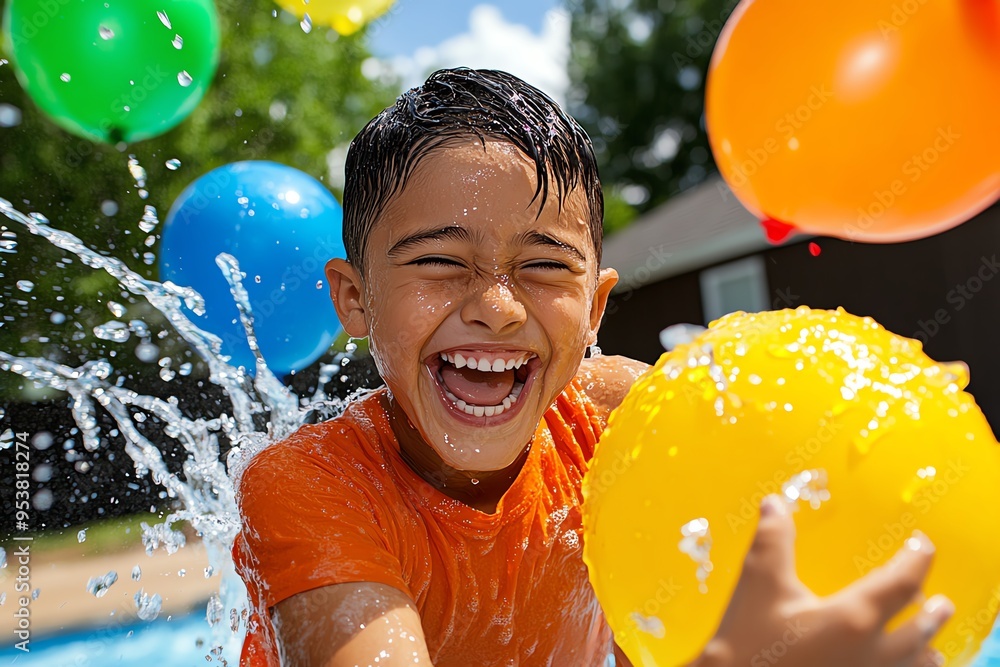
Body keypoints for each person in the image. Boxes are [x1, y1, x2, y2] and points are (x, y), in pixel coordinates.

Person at [232, 68, 954, 667]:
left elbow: (801, 475)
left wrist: (897, 430)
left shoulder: (622, 426)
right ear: (355, 299)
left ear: (595, 306)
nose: (497, 307)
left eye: (544, 266)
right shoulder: (309, 487)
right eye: (440, 262)